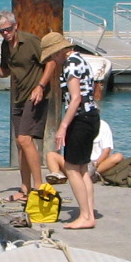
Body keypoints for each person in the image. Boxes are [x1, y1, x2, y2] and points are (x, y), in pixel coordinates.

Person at [0, 9, 56, 200]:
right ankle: (25, 188)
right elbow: (6, 71)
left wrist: (41, 86)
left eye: (7, 29)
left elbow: (51, 63)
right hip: (19, 98)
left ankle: (39, 186)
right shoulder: (5, 46)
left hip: (36, 96)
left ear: (15, 26)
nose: (5, 34)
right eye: (1, 31)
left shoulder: (31, 41)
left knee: (25, 139)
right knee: (20, 144)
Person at [39, 30, 100, 230]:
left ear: (58, 51)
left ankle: (85, 215)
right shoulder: (80, 59)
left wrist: (63, 127)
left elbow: (75, 98)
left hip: (80, 118)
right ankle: (89, 212)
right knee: (81, 168)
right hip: (91, 116)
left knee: (72, 168)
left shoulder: (70, 64)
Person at [48, 118, 124, 183]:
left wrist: (96, 162)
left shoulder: (103, 126)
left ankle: (92, 174)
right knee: (51, 155)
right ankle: (57, 176)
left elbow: (106, 151)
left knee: (118, 157)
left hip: (96, 163)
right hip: (77, 162)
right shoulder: (75, 126)